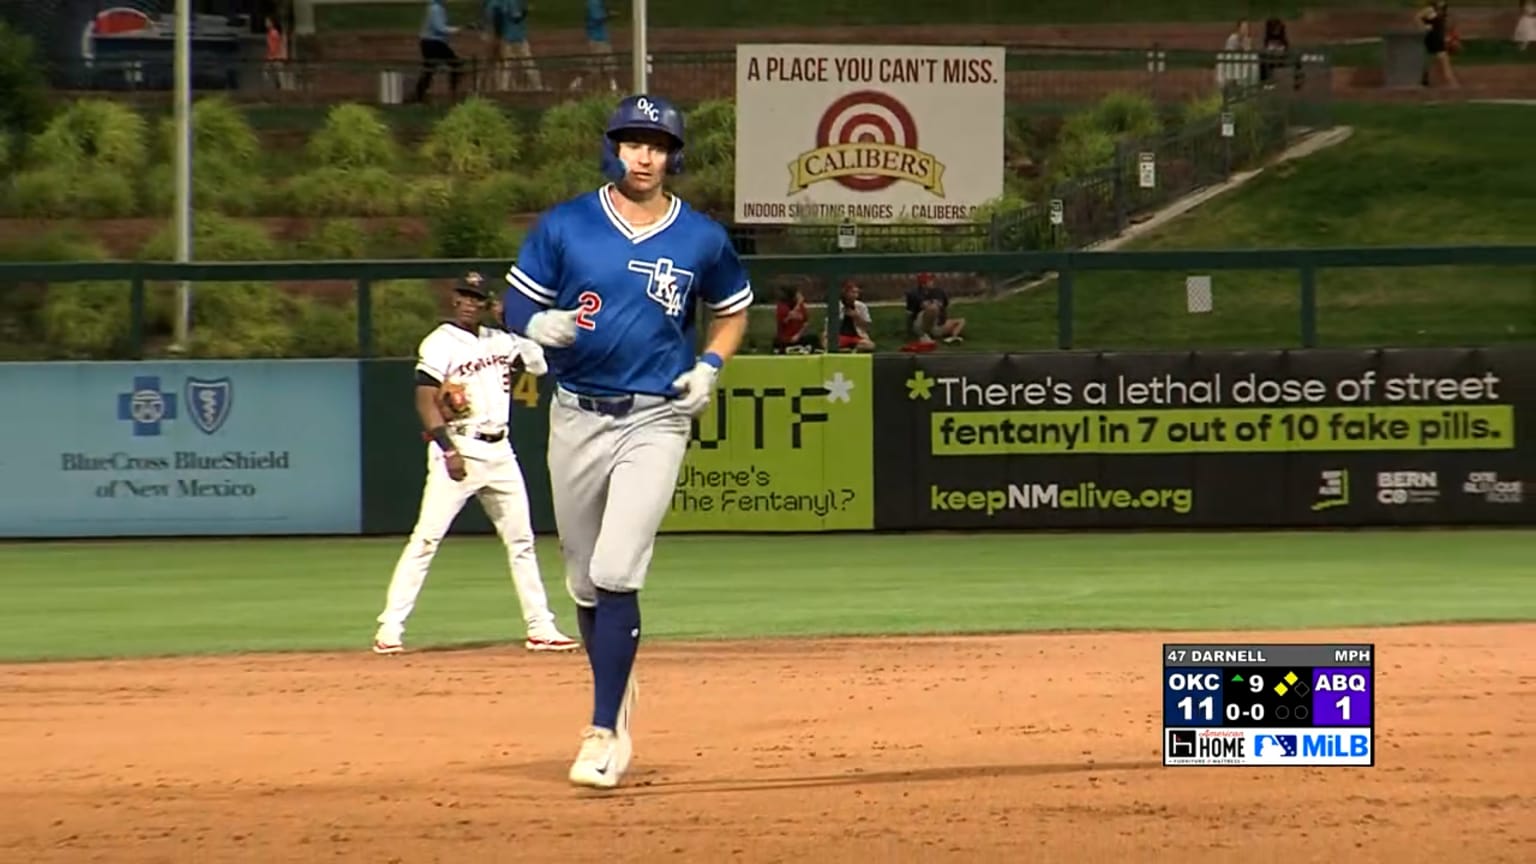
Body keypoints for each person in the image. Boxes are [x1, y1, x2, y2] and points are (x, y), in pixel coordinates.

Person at [500, 94, 752, 789]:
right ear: (614, 147)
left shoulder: (700, 236)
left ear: (675, 155)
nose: (644, 154)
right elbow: (517, 300)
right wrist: (534, 325)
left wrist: (710, 365)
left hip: (655, 416)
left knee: (615, 570)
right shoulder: (568, 224)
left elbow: (733, 310)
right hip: (576, 413)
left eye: (657, 143)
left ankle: (604, 729)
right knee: (583, 582)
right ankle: (617, 683)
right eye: (632, 141)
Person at [373, 272, 579, 656]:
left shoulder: (501, 340)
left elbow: (538, 366)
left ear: (486, 303)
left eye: (477, 297)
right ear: (454, 299)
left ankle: (540, 627)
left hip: (500, 451)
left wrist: (512, 323)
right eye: (465, 295)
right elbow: (425, 397)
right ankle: (390, 627)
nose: (470, 302)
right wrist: (448, 450)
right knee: (426, 539)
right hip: (461, 447)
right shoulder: (439, 342)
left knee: (522, 541)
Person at [414, 0, 464, 103]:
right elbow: (440, 28)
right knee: (455, 64)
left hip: (431, 42)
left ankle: (419, 96)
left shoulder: (436, 7)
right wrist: (457, 30)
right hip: (433, 42)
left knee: (429, 69)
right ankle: (452, 93)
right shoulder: (436, 9)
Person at [904, 272, 966, 346]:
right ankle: (924, 335)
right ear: (923, 283)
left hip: (937, 324)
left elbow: (946, 307)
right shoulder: (914, 294)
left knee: (961, 321)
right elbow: (909, 313)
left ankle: (953, 338)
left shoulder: (939, 292)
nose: (932, 282)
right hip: (921, 324)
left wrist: (943, 319)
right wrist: (910, 331)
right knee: (933, 308)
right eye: (929, 280)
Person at [1418, 2, 1460, 88]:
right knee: (1443, 60)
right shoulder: (1430, 9)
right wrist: (1424, 26)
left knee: (1433, 60)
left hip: (1438, 38)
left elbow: (1443, 26)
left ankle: (1425, 80)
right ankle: (1451, 82)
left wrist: (1448, 37)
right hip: (1431, 38)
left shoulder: (1443, 11)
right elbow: (1417, 17)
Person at [773, 285, 822, 354]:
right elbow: (786, 318)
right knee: (778, 342)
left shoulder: (801, 307)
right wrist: (798, 304)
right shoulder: (782, 306)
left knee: (814, 339)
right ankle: (789, 350)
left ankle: (802, 349)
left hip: (797, 337)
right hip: (786, 338)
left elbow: (806, 323)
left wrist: (798, 335)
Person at [835, 280, 875, 352]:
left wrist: (856, 317)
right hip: (840, 336)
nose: (855, 295)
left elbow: (867, 327)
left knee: (869, 345)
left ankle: (852, 351)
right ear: (846, 293)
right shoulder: (837, 306)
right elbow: (829, 325)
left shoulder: (861, 306)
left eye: (857, 293)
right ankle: (844, 350)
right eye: (853, 292)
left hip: (857, 336)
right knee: (828, 343)